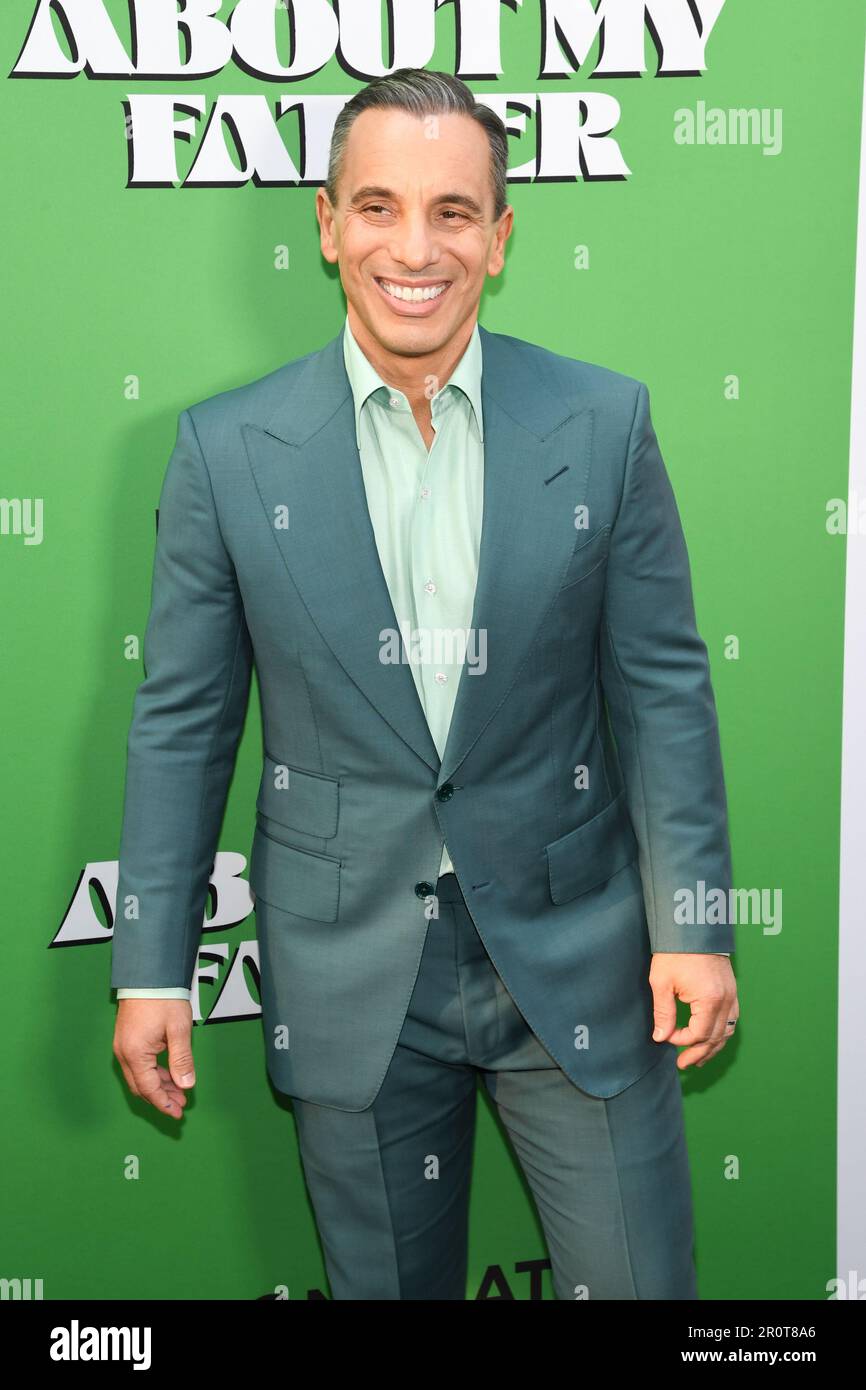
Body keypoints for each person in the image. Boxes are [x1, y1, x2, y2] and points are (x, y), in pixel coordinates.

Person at [112, 67, 739, 1301]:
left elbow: (660, 686)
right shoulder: (225, 450)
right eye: (379, 206)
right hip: (349, 975)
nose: (415, 246)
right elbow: (182, 725)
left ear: (497, 238)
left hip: (575, 951)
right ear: (327, 222)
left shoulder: (602, 424)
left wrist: (694, 926)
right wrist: (150, 965)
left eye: (453, 211)